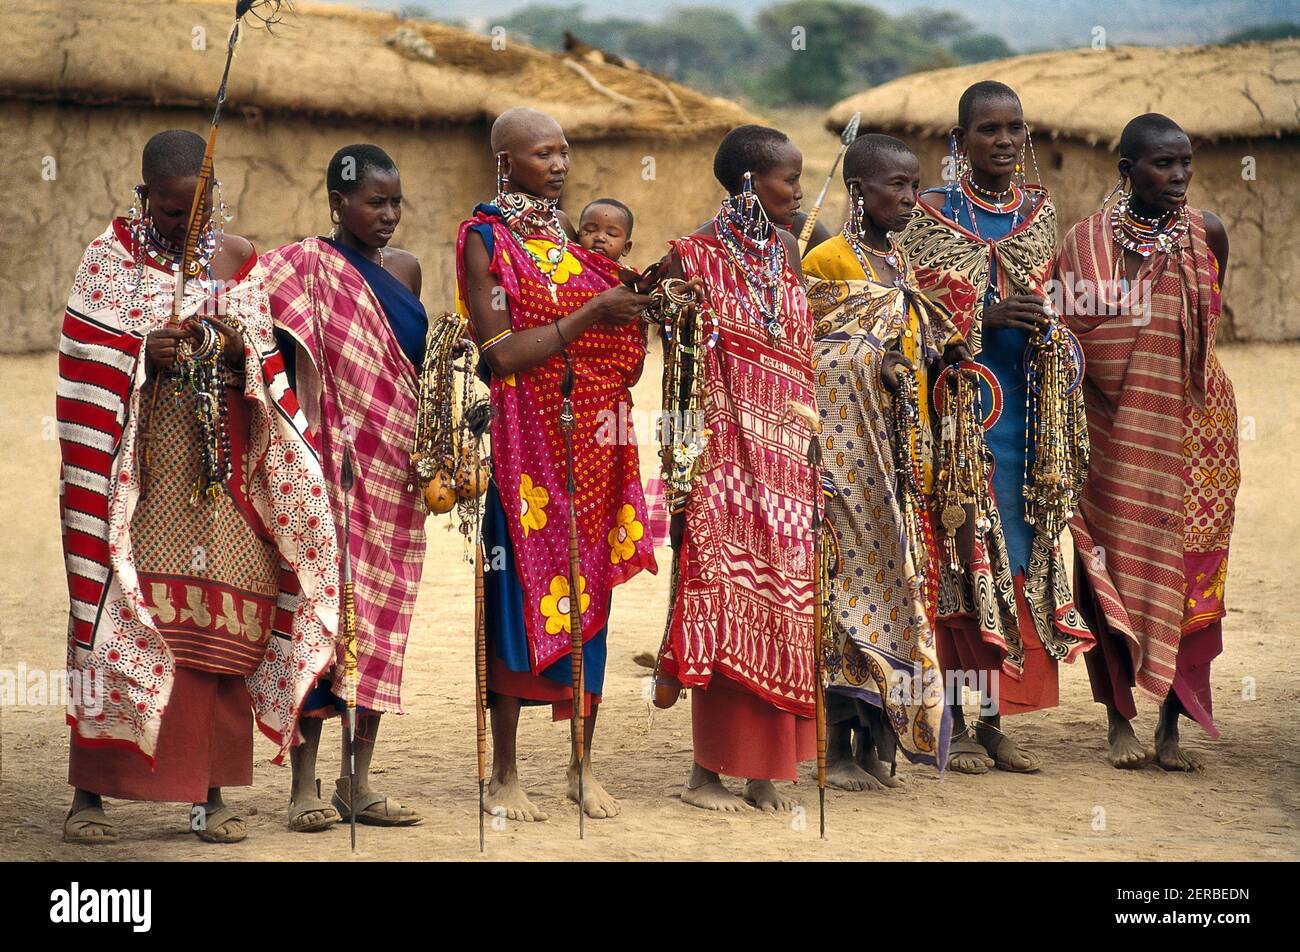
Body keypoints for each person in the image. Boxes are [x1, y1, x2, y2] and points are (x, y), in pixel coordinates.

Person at [59, 130, 339, 845]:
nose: (188, 222)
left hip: (223, 476)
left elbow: (268, 361)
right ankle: (91, 796)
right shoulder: (110, 262)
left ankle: (211, 795)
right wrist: (139, 353)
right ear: (143, 194)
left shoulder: (238, 258)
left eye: (201, 206)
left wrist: (233, 343)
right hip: (141, 479)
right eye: (173, 209)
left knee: (222, 625)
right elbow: (85, 357)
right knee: (121, 617)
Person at [456, 108, 656, 822]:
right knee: (516, 605)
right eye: (545, 154)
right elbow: (499, 353)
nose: (561, 164)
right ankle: (505, 774)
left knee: (591, 605)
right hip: (524, 461)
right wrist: (591, 315)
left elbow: (615, 344)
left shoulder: (574, 243)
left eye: (565, 151)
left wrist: (642, 305)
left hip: (593, 451)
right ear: (507, 162)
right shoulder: (485, 240)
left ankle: (580, 767)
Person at [897, 81, 1092, 774]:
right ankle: (947, 714)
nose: (1004, 140)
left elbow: (1058, 306)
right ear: (961, 140)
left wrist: (1050, 334)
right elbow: (905, 321)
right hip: (952, 421)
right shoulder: (926, 218)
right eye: (987, 130)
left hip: (1027, 427)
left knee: (1015, 555)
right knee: (955, 559)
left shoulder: (1040, 216)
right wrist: (980, 322)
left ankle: (993, 720)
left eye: (1014, 127)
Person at [1056, 113, 1237, 771]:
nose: (1180, 177)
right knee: (1109, 565)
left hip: (1196, 433)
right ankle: (1119, 722)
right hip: (1109, 432)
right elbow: (1067, 339)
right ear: (1127, 171)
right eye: (1164, 165)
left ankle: (1171, 729)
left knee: (1189, 571)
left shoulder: (1206, 233)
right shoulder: (1083, 246)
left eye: (1186, 163)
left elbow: (1204, 326)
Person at [651, 124, 818, 813]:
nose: (799, 190)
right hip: (720, 462)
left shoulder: (785, 252)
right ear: (750, 182)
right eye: (788, 178)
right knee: (719, 596)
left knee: (788, 603)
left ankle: (765, 771)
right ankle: (706, 774)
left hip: (789, 463)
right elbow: (678, 371)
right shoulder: (689, 257)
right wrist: (684, 471)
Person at [261, 144, 428, 831]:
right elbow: (262, 345)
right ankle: (304, 788)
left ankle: (357, 783)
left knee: (381, 621)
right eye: (373, 203)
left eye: (395, 203)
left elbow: (414, 374)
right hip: (323, 474)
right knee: (316, 617)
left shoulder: (407, 270)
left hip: (395, 477)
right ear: (337, 203)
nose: (387, 216)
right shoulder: (301, 268)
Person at [804, 134, 969, 789]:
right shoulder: (828, 260)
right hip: (842, 458)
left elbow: (916, 343)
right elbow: (815, 355)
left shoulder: (900, 264)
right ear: (857, 192)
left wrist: (938, 362)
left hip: (903, 459)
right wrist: (881, 367)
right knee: (843, 592)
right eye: (895, 187)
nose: (909, 199)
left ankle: (880, 741)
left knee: (899, 587)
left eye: (914, 185)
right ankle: (839, 747)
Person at [576, 197, 635, 263]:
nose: (600, 237)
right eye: (590, 230)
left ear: (626, 247)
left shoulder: (625, 273)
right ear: (578, 237)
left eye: (611, 234)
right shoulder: (568, 264)